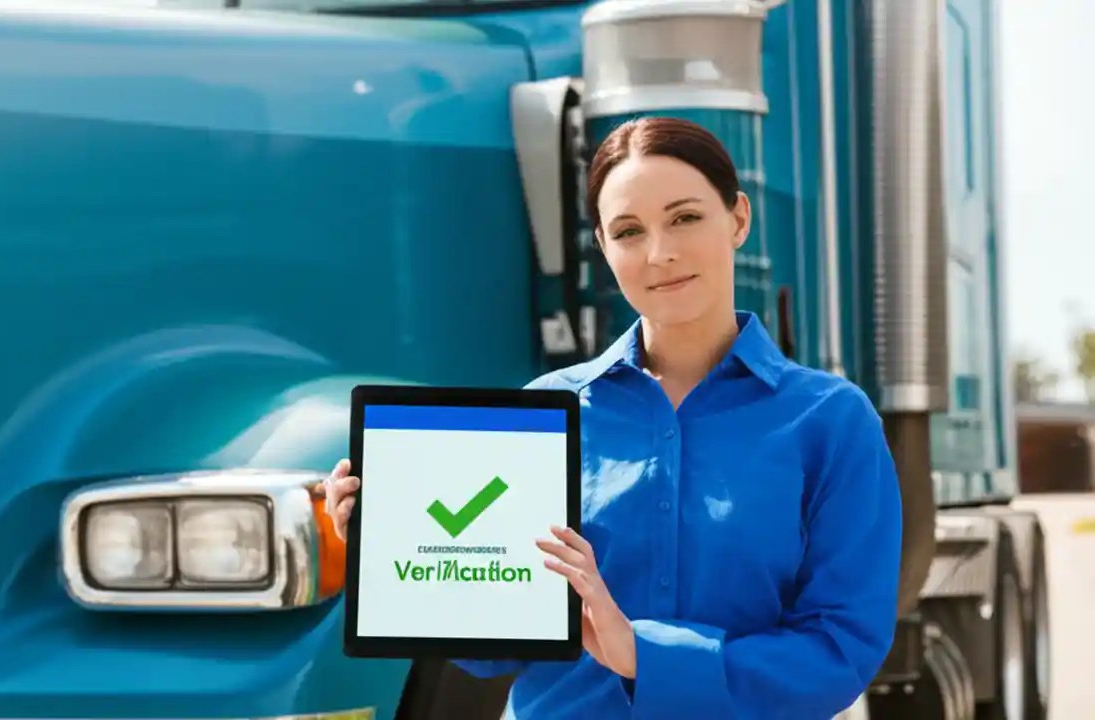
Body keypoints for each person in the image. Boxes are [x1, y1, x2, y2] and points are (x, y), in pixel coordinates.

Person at [322, 116, 902, 719]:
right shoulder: (547, 410)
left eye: (684, 217)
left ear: (738, 219)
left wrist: (646, 656)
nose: (660, 253)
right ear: (603, 247)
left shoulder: (830, 422)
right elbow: (495, 643)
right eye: (629, 231)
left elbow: (841, 650)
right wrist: (387, 545)